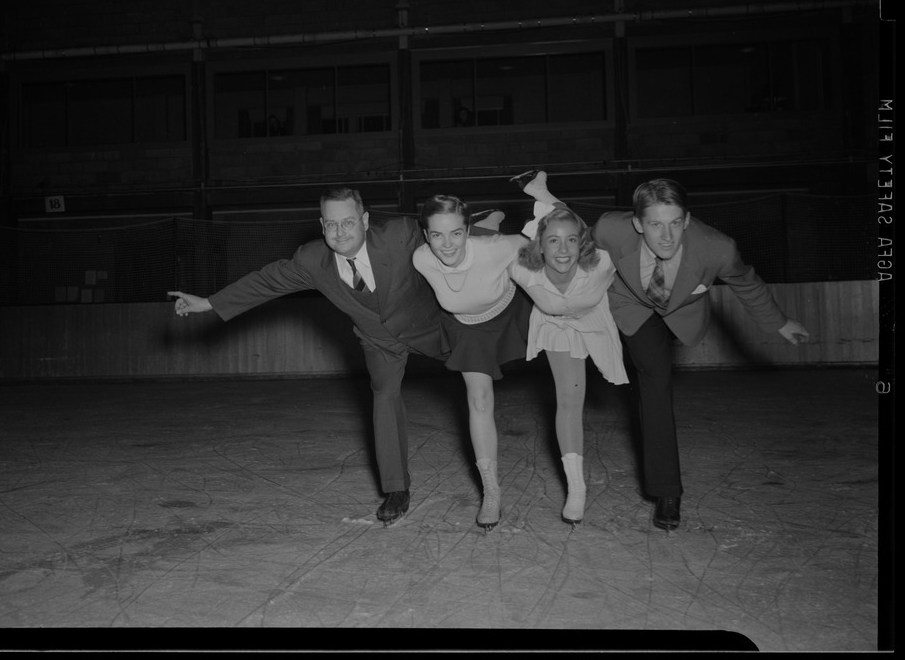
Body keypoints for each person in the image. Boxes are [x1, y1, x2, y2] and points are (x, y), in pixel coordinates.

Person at [168, 188, 502, 527]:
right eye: (331, 225)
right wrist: (209, 303)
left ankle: (490, 482)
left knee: (481, 379)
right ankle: (397, 488)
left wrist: (489, 233)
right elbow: (266, 281)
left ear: (365, 220)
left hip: (430, 325)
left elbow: (446, 235)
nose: (340, 232)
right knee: (384, 397)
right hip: (379, 342)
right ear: (321, 225)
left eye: (348, 222)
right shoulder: (312, 261)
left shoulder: (399, 235)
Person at [592, 178, 810, 531]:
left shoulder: (716, 249)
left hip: (682, 310)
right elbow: (574, 251)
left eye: (675, 223)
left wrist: (779, 323)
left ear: (688, 220)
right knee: (656, 382)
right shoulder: (609, 229)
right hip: (632, 307)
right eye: (655, 224)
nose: (666, 236)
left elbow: (745, 282)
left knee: (659, 377)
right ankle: (667, 491)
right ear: (637, 224)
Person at [412, 171, 560, 530]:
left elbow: (560, 236)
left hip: (510, 309)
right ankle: (491, 491)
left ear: (465, 231)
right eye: (437, 235)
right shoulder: (421, 259)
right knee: (478, 400)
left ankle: (489, 223)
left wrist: (546, 202)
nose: (446, 245)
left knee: (500, 240)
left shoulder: (501, 248)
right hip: (467, 328)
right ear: (425, 235)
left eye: (456, 233)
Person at [509, 205, 629, 528]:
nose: (563, 250)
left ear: (582, 243)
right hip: (556, 326)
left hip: (595, 321)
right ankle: (576, 487)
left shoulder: (602, 264)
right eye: (553, 241)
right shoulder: (522, 270)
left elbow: (636, 254)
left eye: (571, 240)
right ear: (540, 244)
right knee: (569, 401)